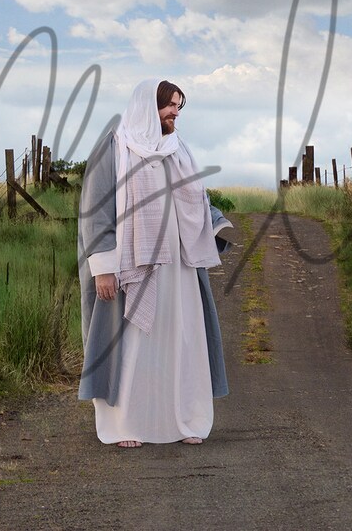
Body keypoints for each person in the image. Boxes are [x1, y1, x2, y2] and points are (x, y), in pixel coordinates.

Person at [77, 79, 231, 447]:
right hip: (132, 266)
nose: (175, 114)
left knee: (181, 341)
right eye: (169, 106)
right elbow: (95, 210)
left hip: (178, 267)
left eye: (179, 106)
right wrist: (103, 267)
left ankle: (185, 420)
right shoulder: (114, 147)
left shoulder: (178, 149)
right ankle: (127, 424)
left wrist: (218, 223)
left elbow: (196, 198)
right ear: (148, 105)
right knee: (132, 345)